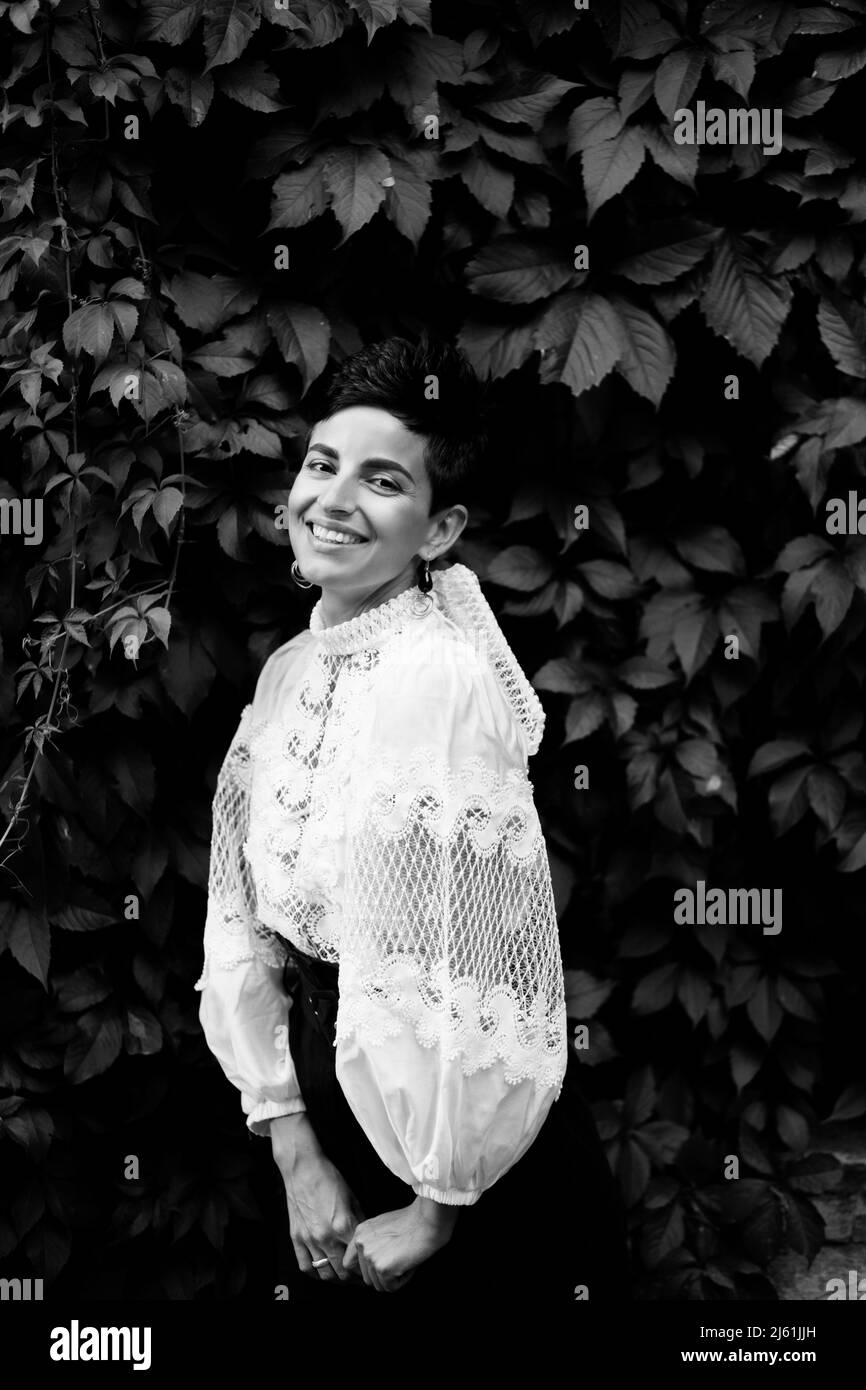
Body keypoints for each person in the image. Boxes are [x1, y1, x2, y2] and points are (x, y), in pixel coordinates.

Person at [196, 334, 630, 1308]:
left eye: (382, 479)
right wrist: (292, 1140)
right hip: (327, 1107)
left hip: (452, 1148)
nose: (333, 498)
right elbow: (240, 922)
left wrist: (436, 1204)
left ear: (438, 532)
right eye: (320, 464)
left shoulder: (440, 676)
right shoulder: (286, 676)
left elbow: (467, 965)